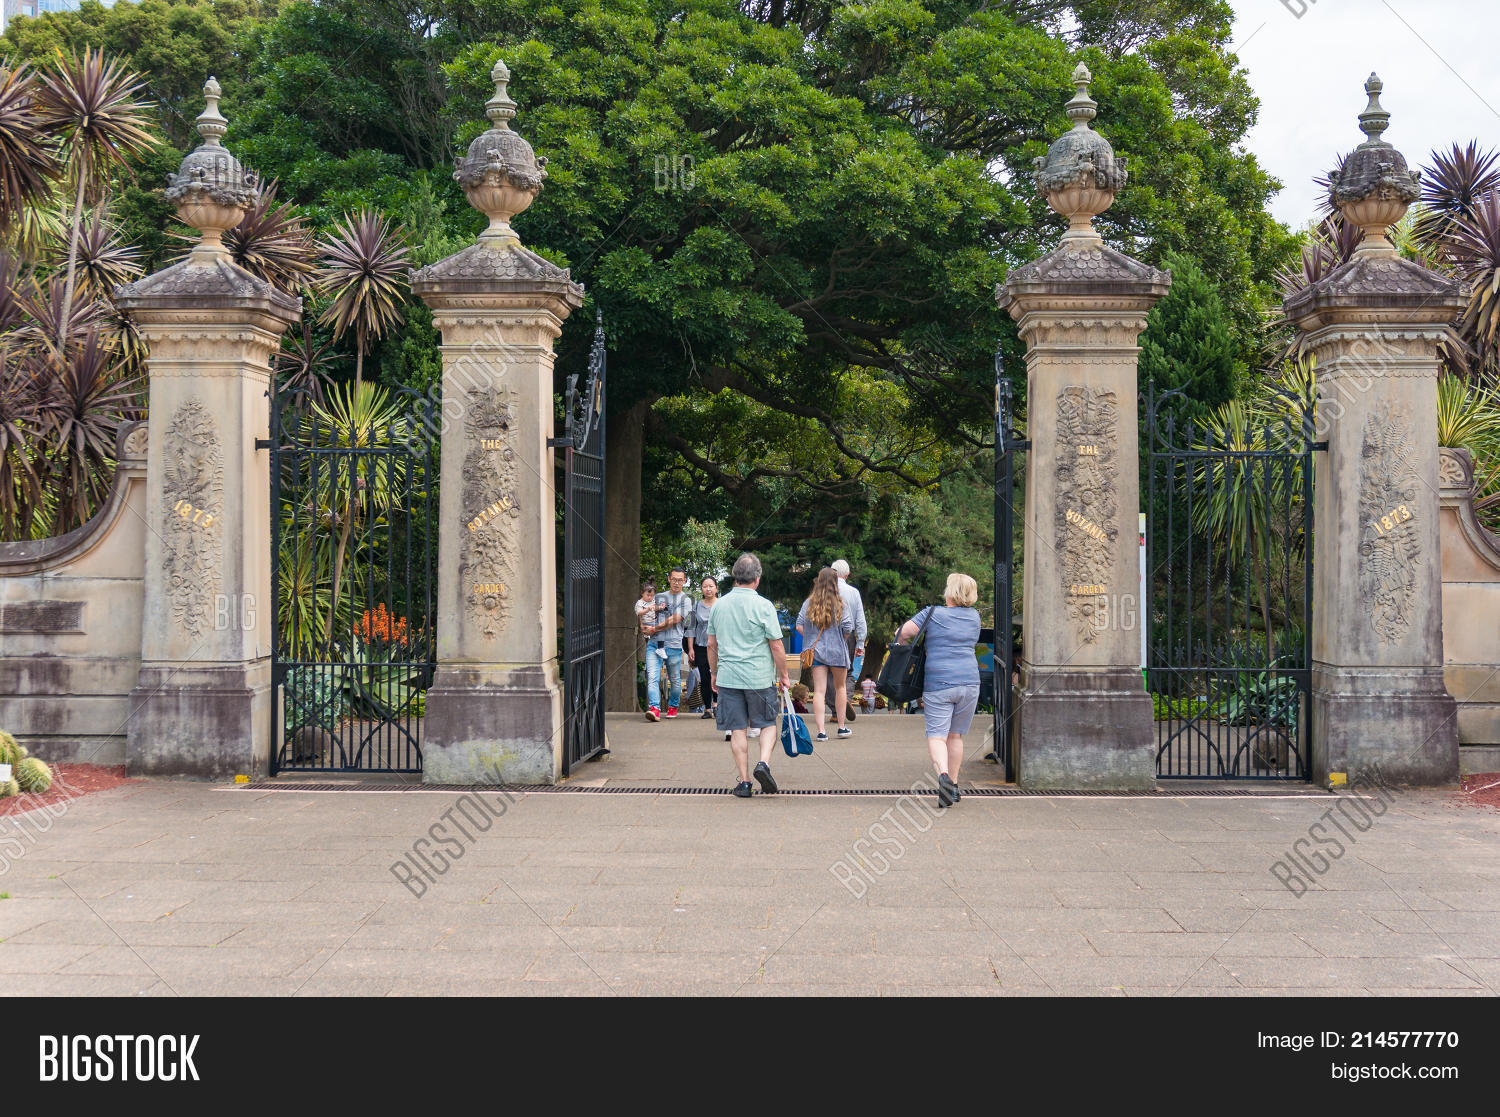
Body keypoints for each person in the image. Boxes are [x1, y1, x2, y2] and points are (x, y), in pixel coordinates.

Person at [706, 552, 790, 798]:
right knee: (767, 724)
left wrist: (714, 672)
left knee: (737, 729)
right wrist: (784, 674)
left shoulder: (718, 606)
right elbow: (776, 645)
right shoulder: (764, 606)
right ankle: (763, 763)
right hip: (759, 677)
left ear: (734, 577)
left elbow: (712, 644)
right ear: (757, 578)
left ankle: (744, 782)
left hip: (729, 677)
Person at [895, 572, 981, 808]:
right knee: (956, 736)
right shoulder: (975, 617)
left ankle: (943, 776)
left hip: (939, 683)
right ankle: (953, 786)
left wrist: (903, 646)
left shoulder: (932, 613)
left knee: (937, 735)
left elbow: (903, 633)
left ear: (950, 591)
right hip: (970, 682)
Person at [796, 567, 856, 741]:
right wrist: (840, 639)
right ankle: (841, 727)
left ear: (818, 581)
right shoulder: (841, 603)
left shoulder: (809, 603)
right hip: (837, 651)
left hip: (816, 653)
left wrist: (811, 638)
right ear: (835, 582)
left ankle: (821, 731)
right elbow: (848, 628)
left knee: (820, 691)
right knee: (840, 688)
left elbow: (799, 625)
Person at [644, 568, 692, 721]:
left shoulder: (687, 600)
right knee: (652, 676)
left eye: (680, 580)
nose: (676, 583)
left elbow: (675, 620)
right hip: (654, 643)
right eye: (674, 579)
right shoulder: (658, 597)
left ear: (684, 581)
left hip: (673, 645)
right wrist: (646, 626)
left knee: (675, 679)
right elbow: (647, 613)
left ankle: (673, 705)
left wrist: (654, 628)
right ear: (669, 579)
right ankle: (655, 708)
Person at [831, 559, 867, 721]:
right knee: (849, 671)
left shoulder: (824, 591)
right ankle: (846, 699)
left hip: (827, 635)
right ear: (848, 574)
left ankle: (834, 710)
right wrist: (860, 643)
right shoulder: (853, 592)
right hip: (849, 636)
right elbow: (860, 619)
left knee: (828, 673)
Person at [692, 576, 720, 720]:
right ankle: (707, 709)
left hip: (718, 646)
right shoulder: (696, 606)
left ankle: (716, 704)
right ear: (701, 589)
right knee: (704, 677)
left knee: (718, 675)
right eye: (705, 586)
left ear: (716, 588)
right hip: (701, 646)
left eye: (711, 586)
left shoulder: (721, 604)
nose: (708, 589)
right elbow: (691, 628)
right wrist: (690, 648)